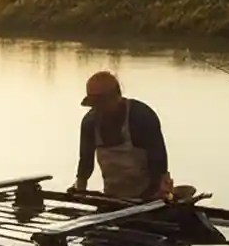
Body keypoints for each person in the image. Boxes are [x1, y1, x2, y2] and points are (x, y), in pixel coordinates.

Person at [72, 71, 171, 200]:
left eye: (102, 104)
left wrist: (156, 194)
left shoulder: (141, 116)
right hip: (113, 196)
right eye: (94, 105)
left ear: (117, 97)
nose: (99, 109)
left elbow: (159, 162)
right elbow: (85, 162)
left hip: (150, 194)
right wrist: (80, 189)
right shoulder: (90, 123)